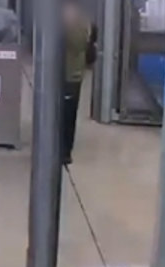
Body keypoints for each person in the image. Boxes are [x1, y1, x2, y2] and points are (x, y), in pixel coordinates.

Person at [61, 2, 92, 166]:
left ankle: (65, 151)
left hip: (71, 74)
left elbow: (80, 43)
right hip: (60, 73)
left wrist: (70, 24)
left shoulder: (80, 19)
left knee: (68, 114)